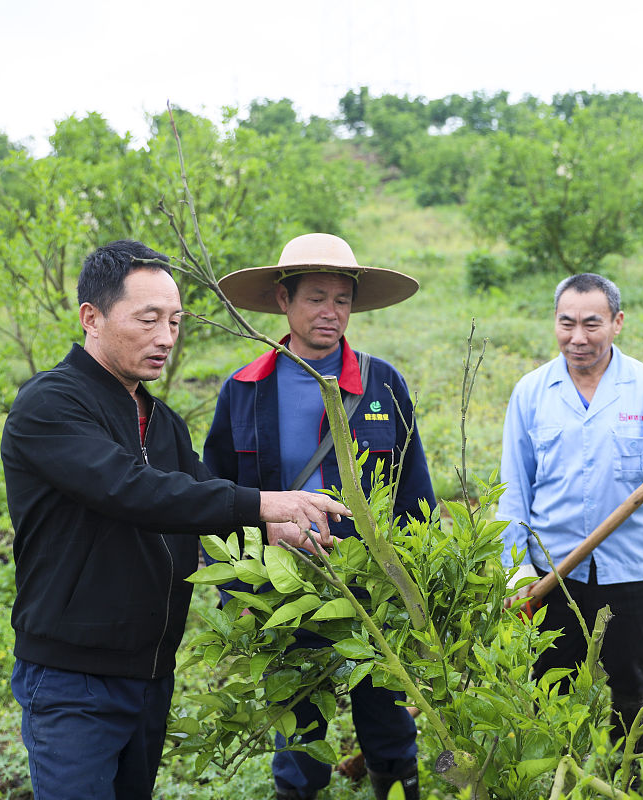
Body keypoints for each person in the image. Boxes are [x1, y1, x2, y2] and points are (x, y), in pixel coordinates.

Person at [1, 240, 349, 800]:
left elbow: (200, 495)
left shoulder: (159, 420)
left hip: (148, 671)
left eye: (175, 321)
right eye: (148, 320)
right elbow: (129, 489)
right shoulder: (51, 404)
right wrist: (264, 503)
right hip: (73, 677)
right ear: (92, 317)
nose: (165, 337)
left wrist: (272, 529)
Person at [202, 232, 436, 800]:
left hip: (371, 587)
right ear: (283, 301)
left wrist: (418, 589)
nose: (331, 313)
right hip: (284, 587)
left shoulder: (382, 383)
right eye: (315, 298)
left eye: (342, 300)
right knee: (298, 734)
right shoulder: (245, 387)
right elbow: (216, 495)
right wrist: (239, 589)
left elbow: (414, 494)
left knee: (388, 722)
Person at [497, 272, 643, 745]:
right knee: (552, 689)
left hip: (628, 572)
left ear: (617, 322)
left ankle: (630, 781)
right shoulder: (531, 392)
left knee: (630, 689)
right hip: (553, 574)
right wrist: (517, 572)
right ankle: (563, 776)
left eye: (592, 324)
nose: (578, 338)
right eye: (567, 324)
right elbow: (513, 488)